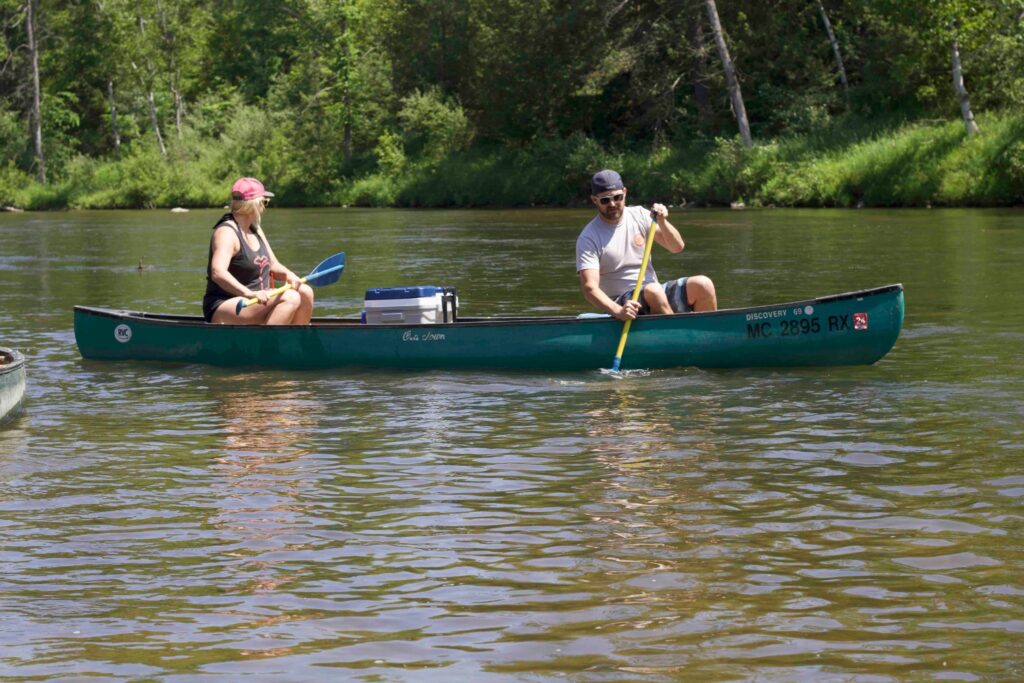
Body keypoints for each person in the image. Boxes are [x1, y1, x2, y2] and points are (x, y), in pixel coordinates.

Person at [576, 169, 717, 321]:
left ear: (625, 193)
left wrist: (663, 222)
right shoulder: (588, 237)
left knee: (703, 284)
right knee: (654, 291)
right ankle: (677, 337)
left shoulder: (640, 215)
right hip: (621, 302)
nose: (612, 203)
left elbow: (676, 247)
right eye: (605, 200)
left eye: (617, 197)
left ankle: (709, 338)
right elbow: (590, 288)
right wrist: (618, 311)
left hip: (654, 291)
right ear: (594, 200)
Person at [202, 177, 314, 325]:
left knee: (305, 292)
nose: (265, 207)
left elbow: (273, 265)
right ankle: (266, 346)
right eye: (265, 202)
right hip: (227, 304)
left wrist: (290, 275)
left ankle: (298, 344)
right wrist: (248, 293)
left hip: (259, 299)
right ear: (253, 204)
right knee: (291, 297)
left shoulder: (256, 229)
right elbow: (218, 272)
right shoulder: (226, 233)